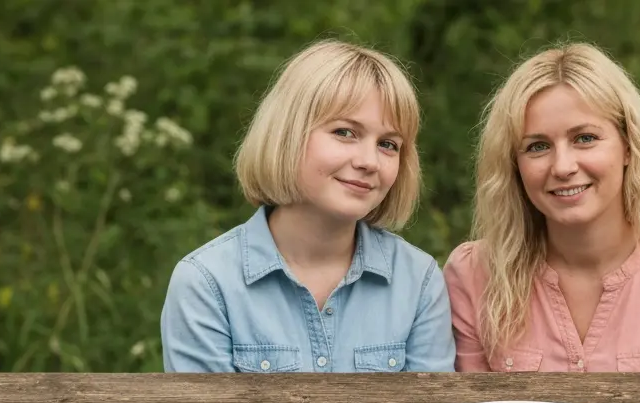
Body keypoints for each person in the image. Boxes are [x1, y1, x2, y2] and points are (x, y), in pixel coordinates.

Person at [443, 42, 640, 373]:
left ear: (628, 146)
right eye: (537, 146)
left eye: (585, 138)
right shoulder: (474, 277)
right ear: (514, 166)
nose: (562, 166)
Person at [160, 39, 455, 373]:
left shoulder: (418, 281)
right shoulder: (207, 282)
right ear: (288, 134)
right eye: (345, 132)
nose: (369, 161)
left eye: (388, 144)